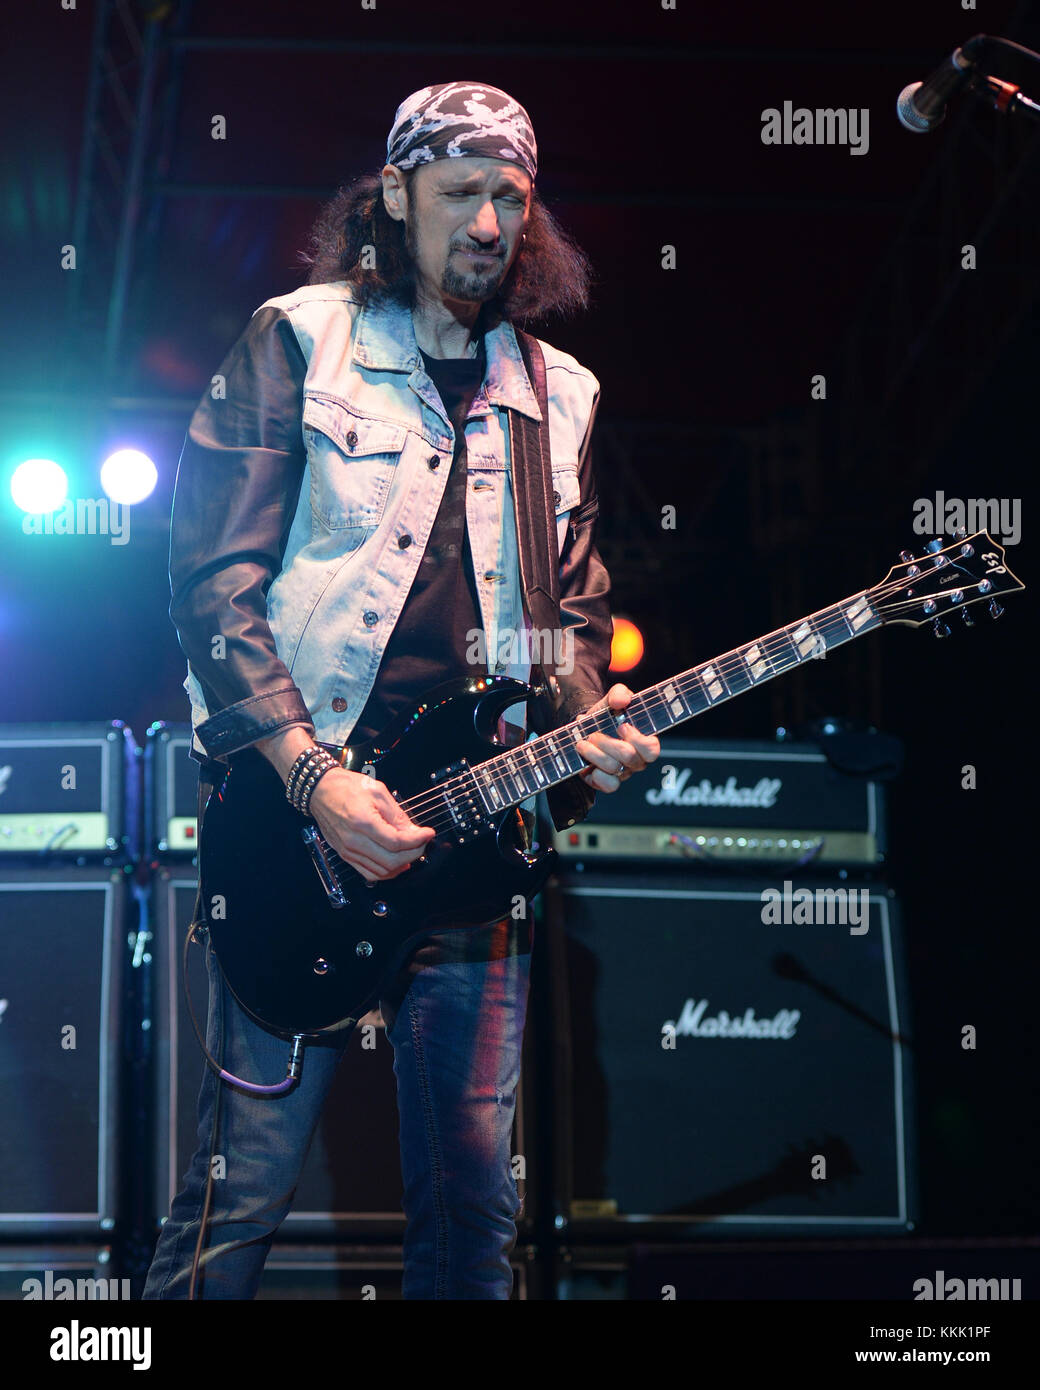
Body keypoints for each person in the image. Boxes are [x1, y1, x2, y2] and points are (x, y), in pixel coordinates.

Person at [143, 80, 660, 1301]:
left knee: (473, 1205)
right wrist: (316, 785)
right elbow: (212, 589)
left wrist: (588, 731)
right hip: (297, 827)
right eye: (460, 194)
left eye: (510, 199)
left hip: (475, 834)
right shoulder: (296, 338)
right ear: (393, 197)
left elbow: (567, 620)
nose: (488, 224)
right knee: (238, 1194)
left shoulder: (559, 394)